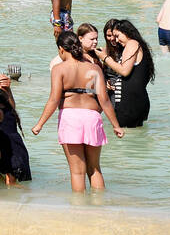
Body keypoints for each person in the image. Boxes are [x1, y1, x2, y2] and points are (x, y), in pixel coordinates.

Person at [31, 31, 123, 192]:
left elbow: (53, 99)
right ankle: (100, 207)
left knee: (77, 172)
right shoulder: (94, 68)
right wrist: (116, 125)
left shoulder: (59, 69)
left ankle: (79, 211)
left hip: (70, 117)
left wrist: (40, 124)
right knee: (94, 169)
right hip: (92, 116)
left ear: (61, 49)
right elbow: (104, 99)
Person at [99, 20, 154, 128]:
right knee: (131, 141)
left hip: (130, 103)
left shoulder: (132, 43)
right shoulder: (135, 44)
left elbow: (124, 71)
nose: (117, 40)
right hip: (133, 102)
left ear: (126, 32)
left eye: (118, 35)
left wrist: (104, 58)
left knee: (123, 140)